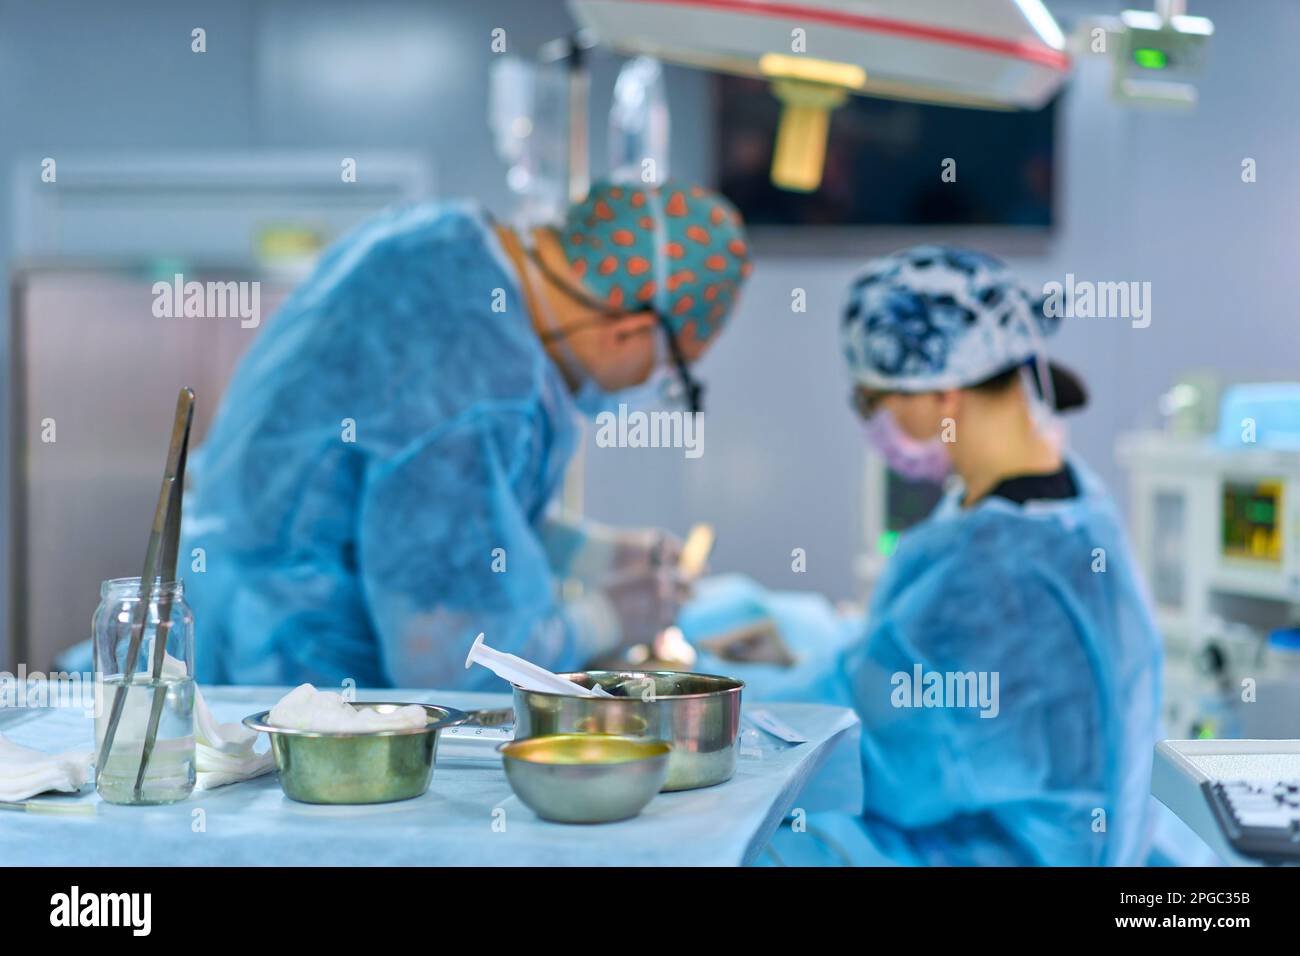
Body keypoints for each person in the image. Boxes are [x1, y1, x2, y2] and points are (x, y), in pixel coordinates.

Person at [180, 180, 751, 688]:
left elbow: (399, 500)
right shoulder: (484, 386)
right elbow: (449, 661)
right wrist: (604, 619)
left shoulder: (441, 240)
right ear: (627, 332)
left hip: (223, 612)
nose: (650, 384)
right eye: (665, 368)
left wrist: (585, 554)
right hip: (290, 675)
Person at [768, 245, 1162, 866]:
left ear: (940, 395)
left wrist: (735, 704)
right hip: (1077, 842)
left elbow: (885, 763)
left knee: (767, 839)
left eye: (873, 401)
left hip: (1012, 854)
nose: (874, 424)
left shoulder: (997, 564)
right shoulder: (1071, 506)